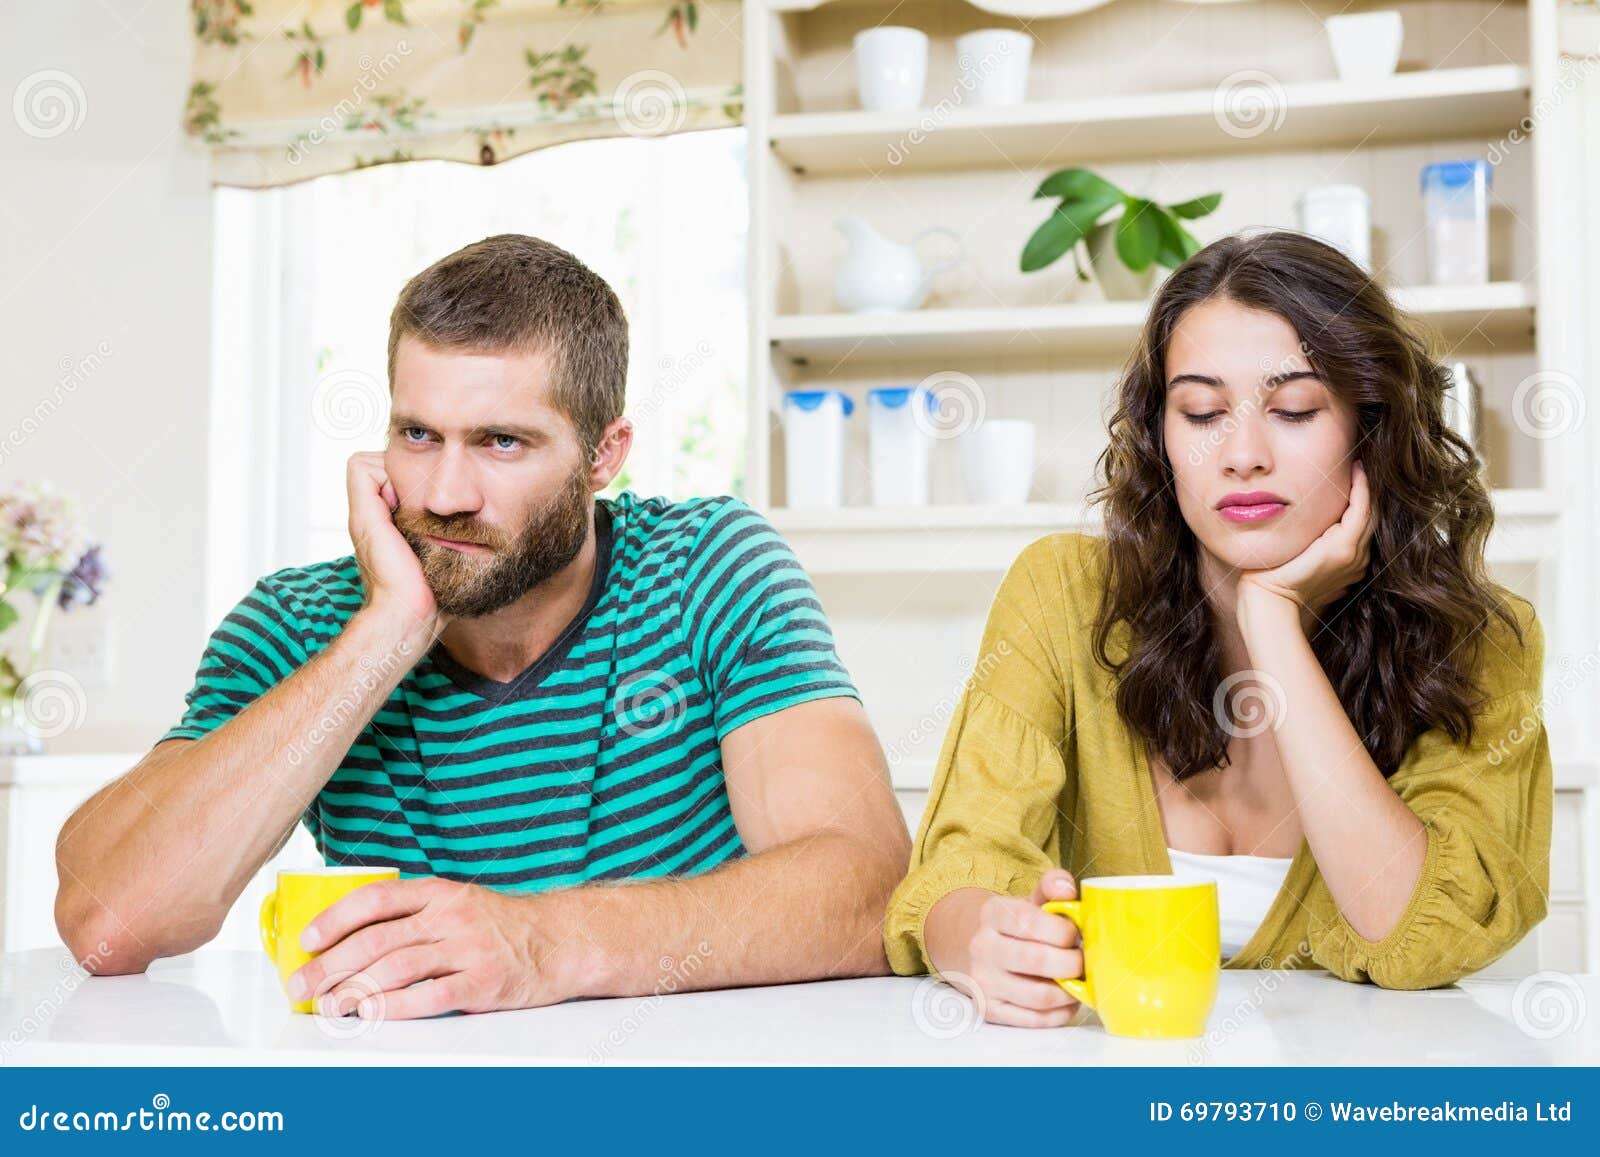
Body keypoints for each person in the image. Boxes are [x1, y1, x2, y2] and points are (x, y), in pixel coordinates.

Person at [57, 233, 910, 1019]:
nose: (443, 494)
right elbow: (108, 922)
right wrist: (389, 628)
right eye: (417, 434)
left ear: (606, 454)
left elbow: (866, 890)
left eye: (501, 442)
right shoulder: (299, 622)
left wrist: (541, 942)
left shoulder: (705, 567)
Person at [884, 230, 1552, 1026]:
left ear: (1368, 428)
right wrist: (972, 937)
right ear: (1161, 435)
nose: (1243, 454)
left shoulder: (1481, 639)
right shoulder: (1063, 593)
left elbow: (1422, 934)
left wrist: (1273, 621)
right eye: (1201, 411)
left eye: (1294, 409)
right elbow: (960, 866)